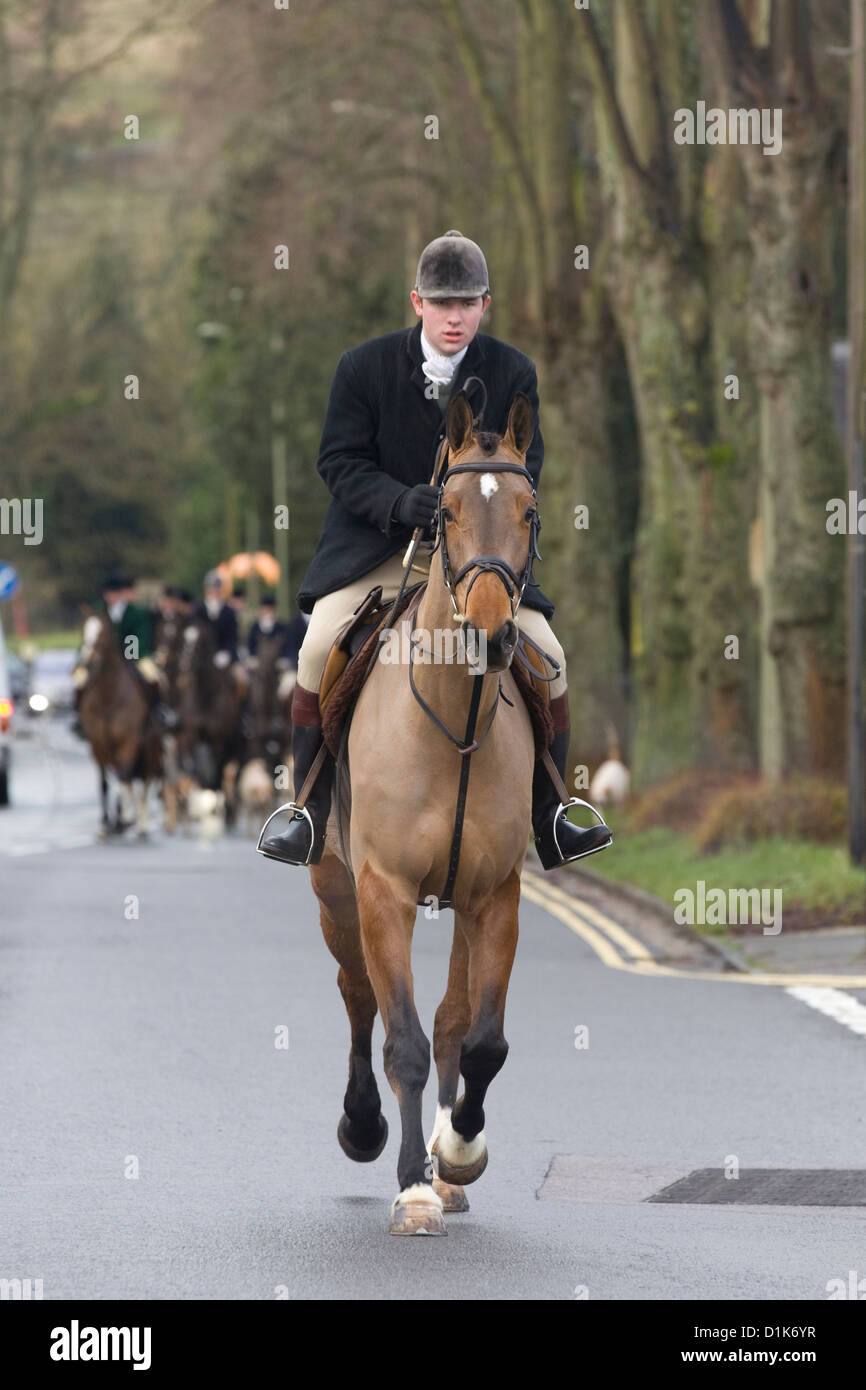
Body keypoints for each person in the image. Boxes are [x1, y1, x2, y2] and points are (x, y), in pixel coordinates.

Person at [259, 230, 611, 869]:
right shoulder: (362, 367)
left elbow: (523, 467)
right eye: (443, 304)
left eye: (468, 304)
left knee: (551, 659)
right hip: (378, 553)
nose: (456, 318)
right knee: (316, 649)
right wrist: (399, 502)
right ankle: (305, 809)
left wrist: (472, 517)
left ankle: (553, 813)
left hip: (479, 557)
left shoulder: (513, 371)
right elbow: (337, 460)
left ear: (485, 305)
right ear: (417, 302)